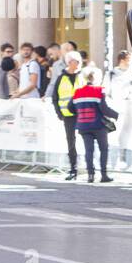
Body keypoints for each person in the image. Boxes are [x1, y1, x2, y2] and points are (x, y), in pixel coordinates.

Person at [69, 68, 118, 183]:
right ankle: (104, 175)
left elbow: (70, 107)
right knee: (103, 149)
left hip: (83, 125)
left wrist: (80, 113)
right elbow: (104, 109)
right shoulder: (99, 91)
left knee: (89, 150)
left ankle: (90, 175)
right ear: (96, 78)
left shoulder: (77, 92)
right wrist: (116, 115)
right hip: (98, 125)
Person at [51, 50, 86, 180]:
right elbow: (55, 97)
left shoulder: (82, 77)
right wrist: (59, 113)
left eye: (78, 62)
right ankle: (73, 168)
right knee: (71, 142)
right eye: (74, 62)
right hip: (68, 115)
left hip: (83, 114)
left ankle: (89, 167)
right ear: (69, 62)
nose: (76, 64)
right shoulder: (61, 78)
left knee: (86, 140)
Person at [108, 50, 132, 170]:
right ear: (122, 60)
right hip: (116, 107)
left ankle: (130, 164)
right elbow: (106, 91)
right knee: (115, 134)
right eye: (130, 60)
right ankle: (114, 163)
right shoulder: (111, 73)